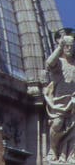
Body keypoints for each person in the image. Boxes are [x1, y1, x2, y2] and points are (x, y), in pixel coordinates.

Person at [44, 32, 75, 161]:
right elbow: (49, 63)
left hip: (73, 102)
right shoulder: (59, 63)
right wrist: (59, 48)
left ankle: (70, 155)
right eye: (66, 46)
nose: (69, 48)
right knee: (57, 124)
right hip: (59, 102)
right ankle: (53, 149)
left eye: (71, 46)